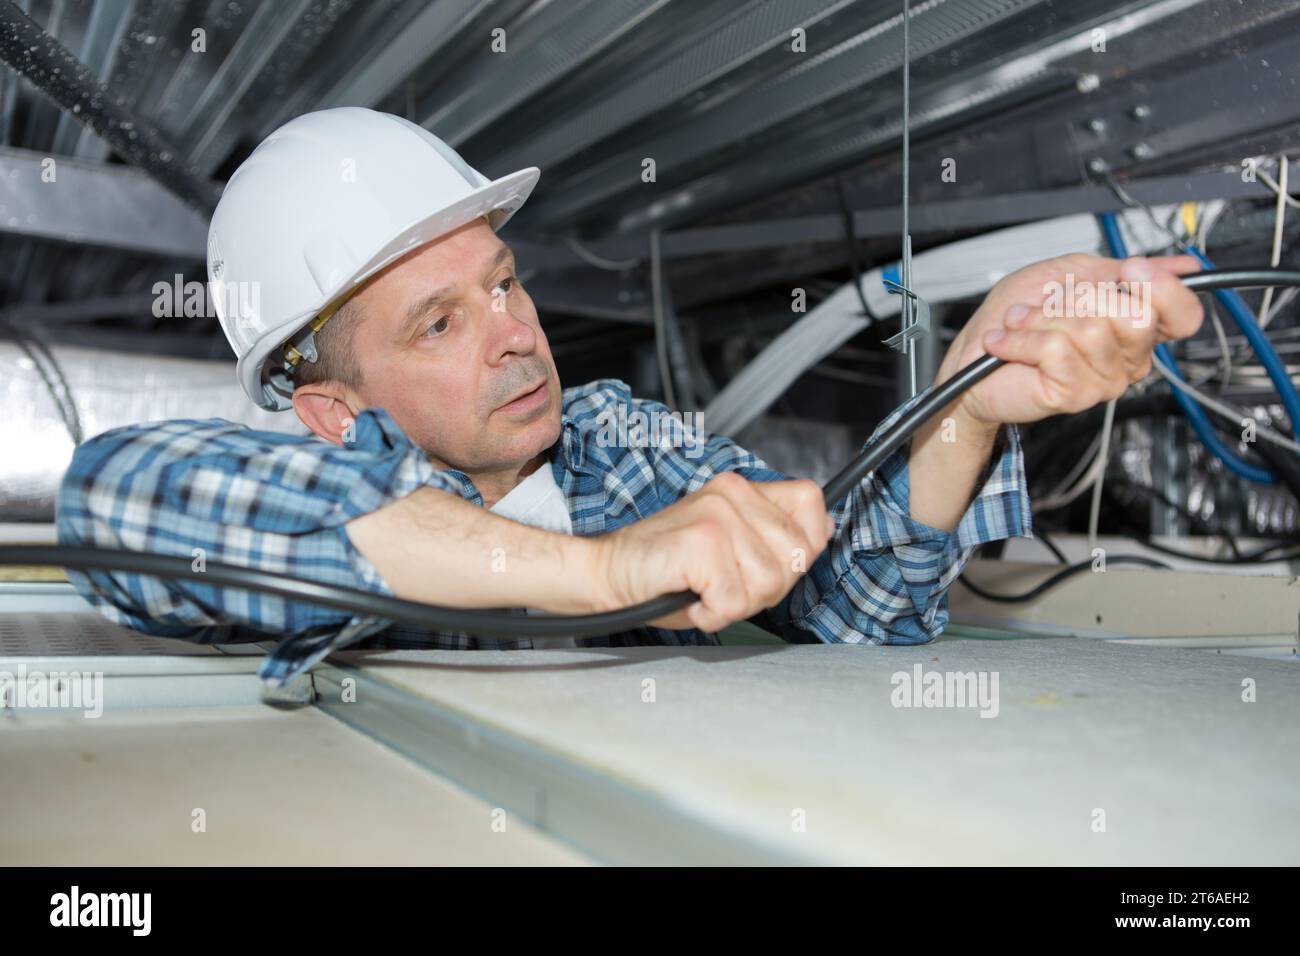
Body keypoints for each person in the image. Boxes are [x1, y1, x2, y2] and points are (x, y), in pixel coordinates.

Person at [56, 108, 1205, 686]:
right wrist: (610, 571)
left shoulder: (615, 442)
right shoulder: (305, 483)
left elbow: (860, 614)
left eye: (502, 282)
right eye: (440, 323)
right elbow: (114, 500)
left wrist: (968, 391)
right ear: (326, 406)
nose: (514, 334)